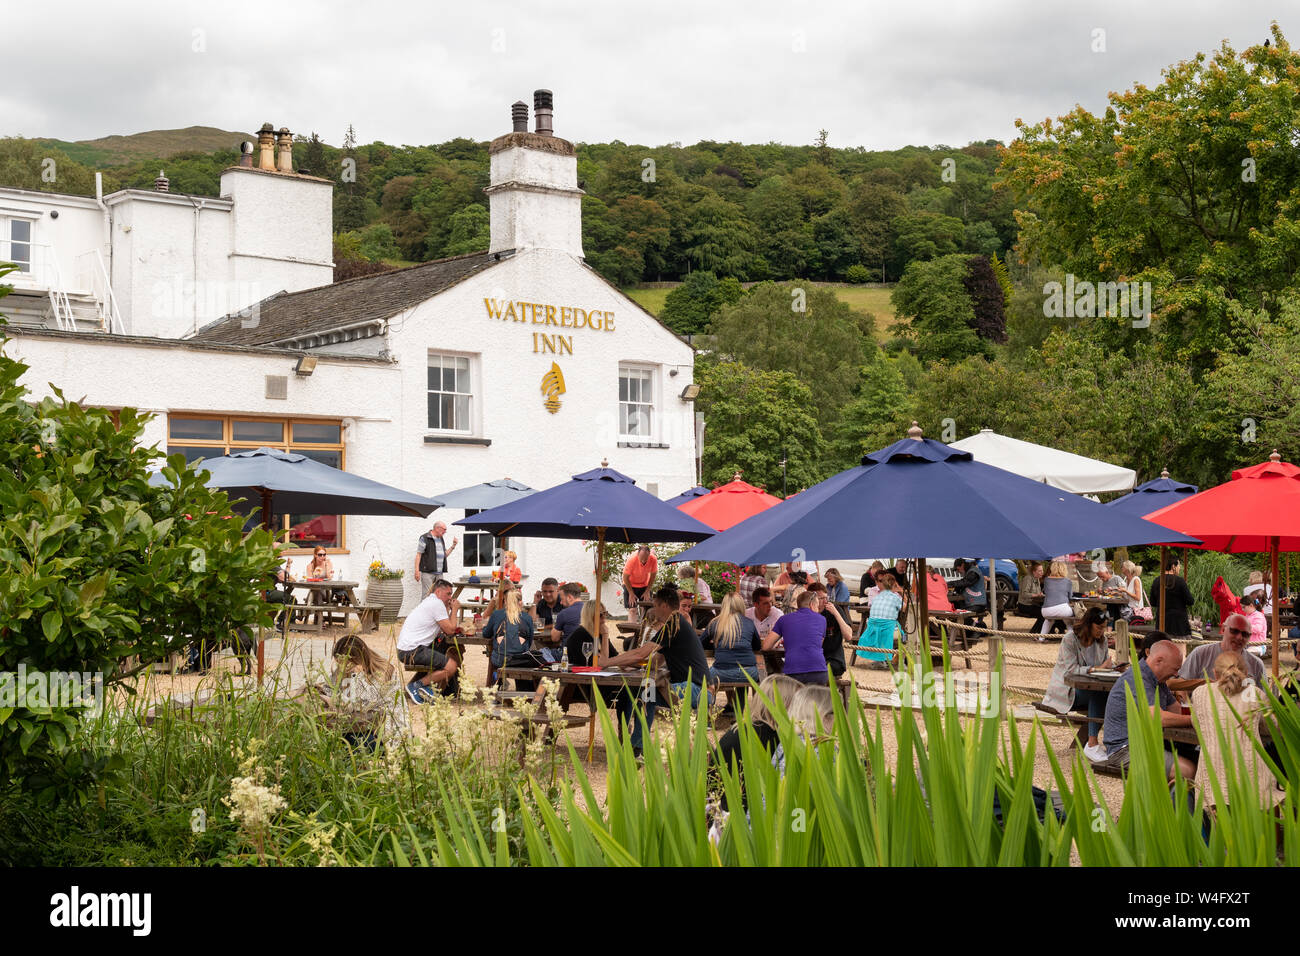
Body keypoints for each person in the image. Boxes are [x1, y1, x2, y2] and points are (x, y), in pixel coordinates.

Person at [603, 586, 711, 755]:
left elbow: (641, 652)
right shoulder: (677, 623)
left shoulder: (672, 624)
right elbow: (655, 661)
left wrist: (606, 662)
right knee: (645, 693)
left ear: (664, 606)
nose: (653, 608)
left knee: (645, 693)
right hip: (699, 688)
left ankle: (636, 745)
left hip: (694, 689)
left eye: (655, 604)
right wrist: (632, 664)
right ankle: (638, 745)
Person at [1190, 651, 1281, 812]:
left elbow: (1198, 726)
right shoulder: (1253, 693)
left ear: (1215, 673)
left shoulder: (1199, 693)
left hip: (1212, 779)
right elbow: (1275, 728)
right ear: (1245, 673)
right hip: (1252, 779)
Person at [1097, 640, 1193, 780]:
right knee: (1186, 770)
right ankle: (1167, 802)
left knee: (1200, 758)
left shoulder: (1158, 681)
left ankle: (1171, 801)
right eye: (1175, 669)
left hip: (1147, 744)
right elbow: (1157, 718)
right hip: (1125, 749)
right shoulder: (1138, 678)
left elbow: (1177, 710)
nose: (1176, 674)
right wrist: (1193, 720)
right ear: (1159, 661)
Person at [1040, 607, 1112, 758]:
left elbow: (1104, 666)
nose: (1101, 631)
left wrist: (1113, 668)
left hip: (1092, 688)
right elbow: (1071, 670)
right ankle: (1092, 743)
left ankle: (1113, 743)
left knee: (1110, 694)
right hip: (1068, 690)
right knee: (1099, 694)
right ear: (1088, 624)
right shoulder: (1070, 639)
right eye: (1099, 627)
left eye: (1104, 627)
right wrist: (1095, 669)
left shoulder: (1102, 641)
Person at [316, 634, 409, 750]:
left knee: (342, 741)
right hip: (363, 727)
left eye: (344, 663)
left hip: (386, 735)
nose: (341, 667)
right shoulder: (345, 669)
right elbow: (330, 688)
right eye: (338, 662)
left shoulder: (381, 673)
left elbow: (360, 705)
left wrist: (357, 678)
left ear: (356, 660)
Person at [395, 579, 460, 702]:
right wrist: (455, 610)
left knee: (446, 649)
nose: (450, 597)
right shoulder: (436, 604)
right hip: (412, 651)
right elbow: (450, 630)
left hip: (407, 649)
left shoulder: (432, 601)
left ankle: (447, 689)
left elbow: (444, 624)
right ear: (438, 591)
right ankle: (417, 685)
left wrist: (448, 607)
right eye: (448, 594)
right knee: (451, 666)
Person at [1167, 612, 1267, 691]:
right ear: (1223, 629)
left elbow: (1265, 701)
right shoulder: (1201, 653)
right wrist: (1204, 683)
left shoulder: (1256, 664)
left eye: (1245, 634)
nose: (1239, 637)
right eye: (1234, 631)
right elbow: (1174, 684)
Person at [702, 592, 774, 687]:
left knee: (703, 677)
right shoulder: (749, 622)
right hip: (749, 673)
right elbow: (757, 646)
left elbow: (701, 643)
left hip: (722, 672)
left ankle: (711, 700)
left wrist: (717, 645)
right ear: (741, 605)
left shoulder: (715, 623)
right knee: (749, 671)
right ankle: (741, 702)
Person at [773, 589, 831, 685]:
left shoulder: (784, 619)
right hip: (818, 669)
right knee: (815, 699)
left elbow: (766, 645)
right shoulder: (822, 619)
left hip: (793, 670)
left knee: (794, 699)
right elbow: (818, 644)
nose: (818, 609)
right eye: (817, 606)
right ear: (812, 605)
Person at [484, 587, 537, 671]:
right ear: (520, 602)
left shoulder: (496, 614)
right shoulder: (527, 617)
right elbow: (530, 641)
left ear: (505, 602)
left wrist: (485, 627)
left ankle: (497, 682)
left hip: (499, 660)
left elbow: (486, 634)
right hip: (521, 660)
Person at [858, 569, 902, 667]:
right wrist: (901, 592)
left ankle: (882, 660)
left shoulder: (877, 597)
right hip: (887, 629)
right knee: (904, 634)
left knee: (884, 623)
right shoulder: (896, 597)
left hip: (872, 629)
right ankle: (896, 660)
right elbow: (904, 608)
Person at [807, 583, 850, 677]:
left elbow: (849, 636)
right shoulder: (806, 613)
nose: (825, 601)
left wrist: (836, 613)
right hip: (813, 658)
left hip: (833, 659)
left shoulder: (835, 610)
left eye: (826, 597)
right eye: (821, 598)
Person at [1150, 556, 1194, 638]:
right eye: (1179, 566)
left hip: (1162, 622)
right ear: (1173, 566)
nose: (1179, 568)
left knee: (1162, 648)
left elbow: (1152, 602)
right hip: (1179, 624)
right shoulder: (1180, 581)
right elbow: (1190, 601)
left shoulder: (1157, 581)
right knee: (1180, 649)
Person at [415, 522, 457, 599]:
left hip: (439, 574)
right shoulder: (425, 538)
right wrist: (417, 571)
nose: (445, 532)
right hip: (428, 573)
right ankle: (424, 611)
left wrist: (453, 546)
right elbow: (419, 554)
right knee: (426, 596)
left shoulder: (441, 539)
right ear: (437, 528)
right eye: (444, 530)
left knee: (440, 596)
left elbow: (444, 555)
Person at [548, 582, 585, 662]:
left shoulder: (564, 613)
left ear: (569, 597)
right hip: (586, 654)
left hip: (567, 656)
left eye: (561, 599)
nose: (560, 602)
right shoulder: (590, 610)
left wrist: (555, 623)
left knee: (542, 652)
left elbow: (554, 638)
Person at [1038, 561, 1074, 640]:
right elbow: (1070, 597)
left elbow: (1045, 592)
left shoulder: (1046, 580)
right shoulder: (1068, 581)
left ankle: (1041, 638)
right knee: (1068, 620)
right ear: (1064, 569)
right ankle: (1071, 638)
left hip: (1046, 610)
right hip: (1063, 609)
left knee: (1049, 620)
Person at [622, 545, 657, 624]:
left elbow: (653, 576)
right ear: (638, 554)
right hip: (630, 584)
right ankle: (631, 633)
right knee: (632, 609)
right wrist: (631, 593)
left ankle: (643, 631)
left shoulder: (653, 559)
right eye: (641, 558)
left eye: (646, 558)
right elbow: (625, 577)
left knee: (645, 608)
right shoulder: (632, 559)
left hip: (644, 585)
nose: (643, 561)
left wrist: (647, 591)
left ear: (649, 555)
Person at [949, 558, 987, 628]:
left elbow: (965, 582)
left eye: (958, 569)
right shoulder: (969, 572)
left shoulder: (973, 572)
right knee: (952, 612)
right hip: (971, 603)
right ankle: (970, 629)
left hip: (977, 604)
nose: (958, 572)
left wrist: (949, 584)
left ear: (962, 565)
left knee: (960, 615)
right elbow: (962, 584)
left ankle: (977, 628)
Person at [1017, 561, 1045, 629]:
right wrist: (1036, 595)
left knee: (1046, 612)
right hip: (1024, 605)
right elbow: (1024, 594)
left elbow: (1037, 593)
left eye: (1042, 570)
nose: (1042, 572)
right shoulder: (1028, 578)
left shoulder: (1037, 579)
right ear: (1034, 572)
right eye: (1040, 571)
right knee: (1043, 614)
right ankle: (1034, 632)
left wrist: (1040, 594)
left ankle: (1039, 632)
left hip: (1033, 604)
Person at [1242, 591, 1269, 656]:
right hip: (1248, 645)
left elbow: (1258, 629)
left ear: (1251, 605)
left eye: (1243, 607)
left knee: (1245, 655)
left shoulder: (1258, 615)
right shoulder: (1247, 616)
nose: (1242, 609)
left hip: (1258, 646)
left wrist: (1244, 626)